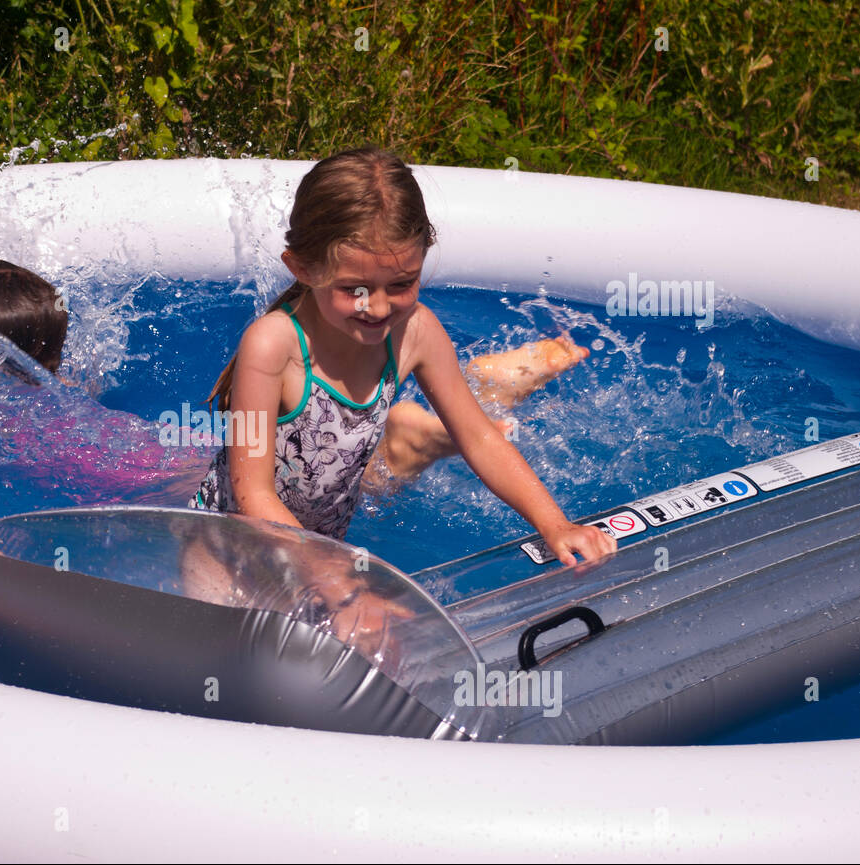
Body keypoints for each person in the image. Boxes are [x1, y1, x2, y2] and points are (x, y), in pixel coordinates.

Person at [188, 147, 615, 568]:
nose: (378, 308)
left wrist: (556, 524)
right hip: (229, 553)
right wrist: (329, 575)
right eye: (354, 288)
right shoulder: (273, 345)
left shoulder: (415, 331)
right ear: (303, 268)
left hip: (317, 558)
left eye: (401, 284)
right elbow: (253, 495)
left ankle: (414, 435)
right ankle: (409, 439)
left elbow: (482, 439)